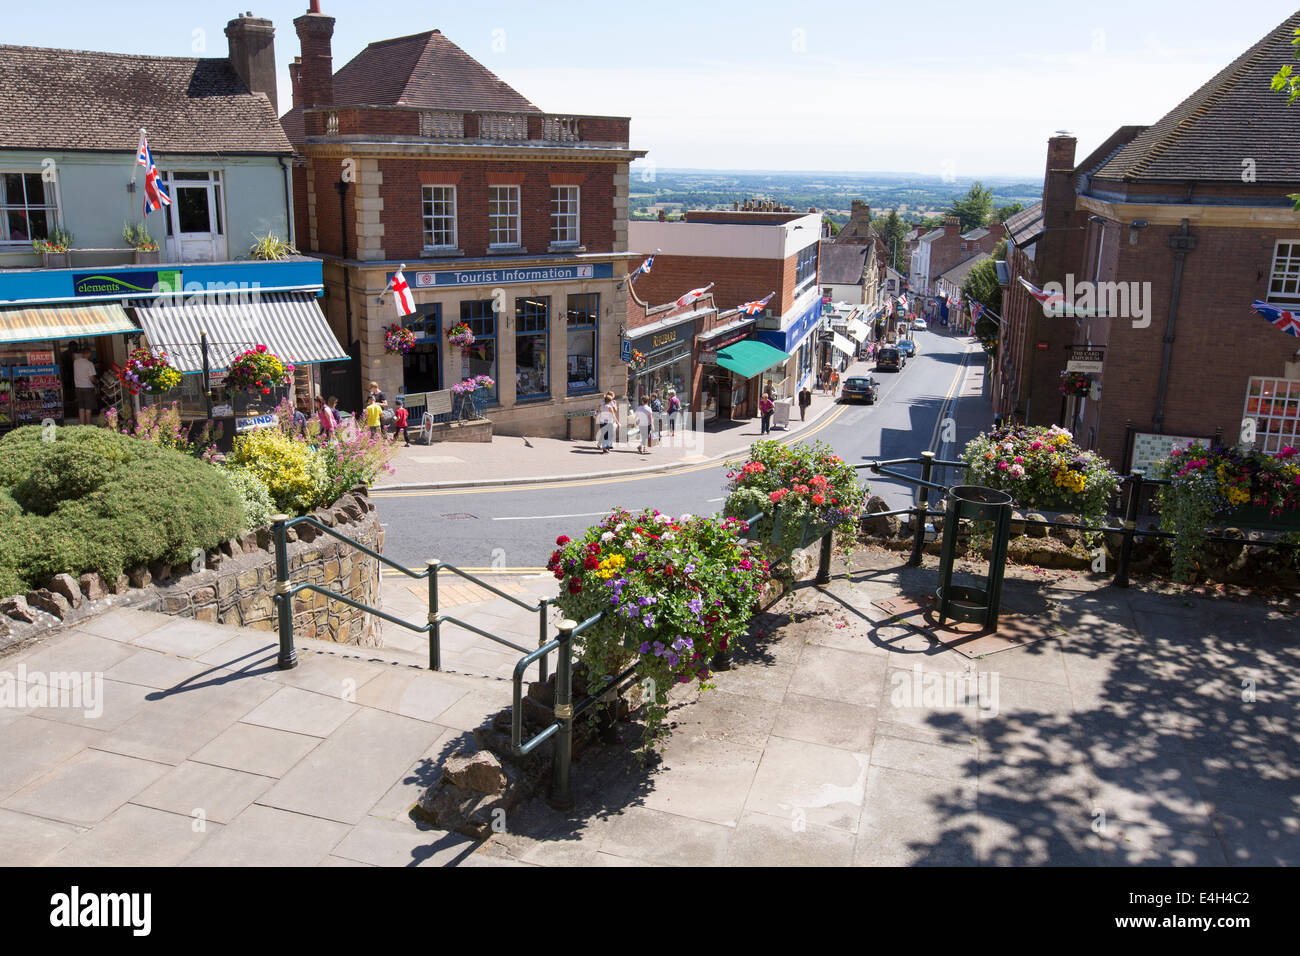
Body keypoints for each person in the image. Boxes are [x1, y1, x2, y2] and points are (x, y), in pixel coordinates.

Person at [72, 347, 97, 425]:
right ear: (88, 353)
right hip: (88, 387)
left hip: (78, 387)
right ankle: (89, 425)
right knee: (88, 408)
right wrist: (96, 382)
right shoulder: (89, 364)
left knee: (81, 407)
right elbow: (92, 378)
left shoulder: (75, 362)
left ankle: (82, 425)